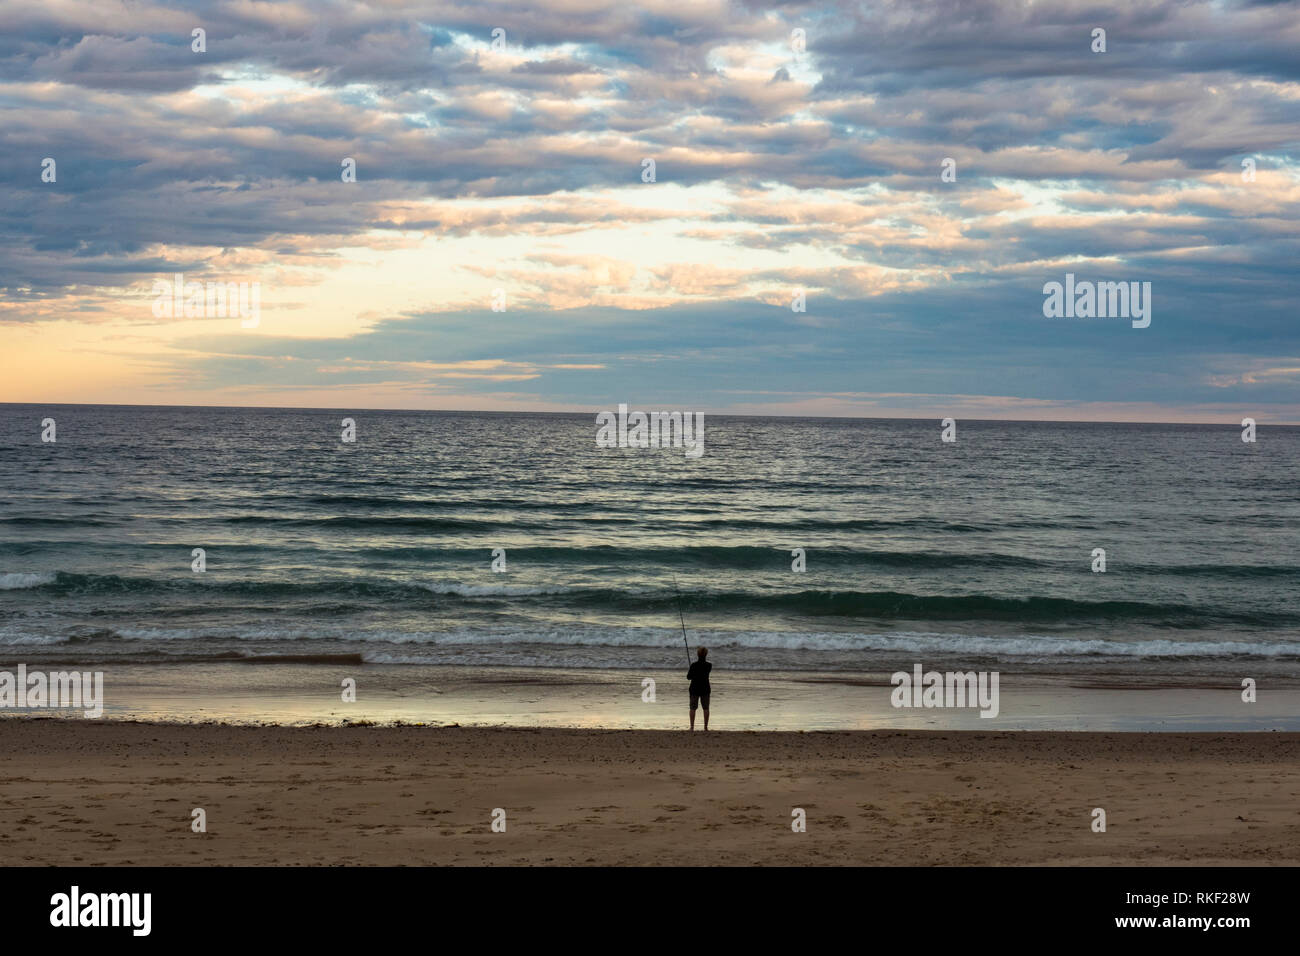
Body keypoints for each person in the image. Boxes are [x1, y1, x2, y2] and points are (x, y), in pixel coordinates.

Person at [687, 646, 711, 731]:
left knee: (692, 708)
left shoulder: (693, 665)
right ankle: (705, 727)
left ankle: (692, 727)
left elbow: (688, 677)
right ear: (706, 654)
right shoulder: (709, 665)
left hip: (694, 688)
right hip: (705, 688)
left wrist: (692, 670)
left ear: (698, 654)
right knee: (706, 708)